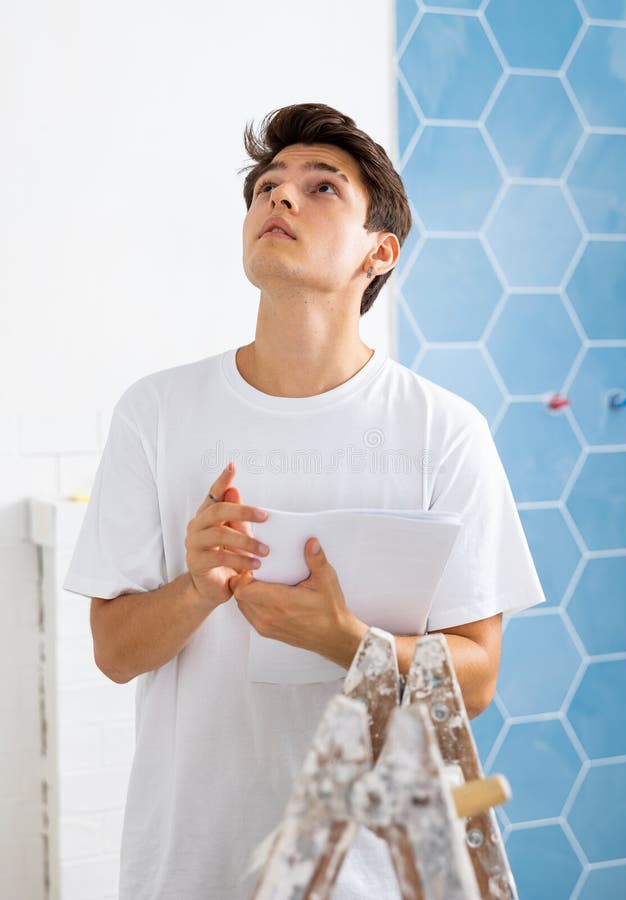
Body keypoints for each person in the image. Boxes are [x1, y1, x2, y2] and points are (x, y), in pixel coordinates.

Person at [63, 101, 546, 899]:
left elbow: (479, 676)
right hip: (188, 865)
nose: (279, 199)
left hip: (371, 872)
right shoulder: (155, 411)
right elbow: (114, 654)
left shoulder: (443, 431)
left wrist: (345, 639)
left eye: (322, 188)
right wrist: (195, 587)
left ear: (379, 253)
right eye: (267, 187)